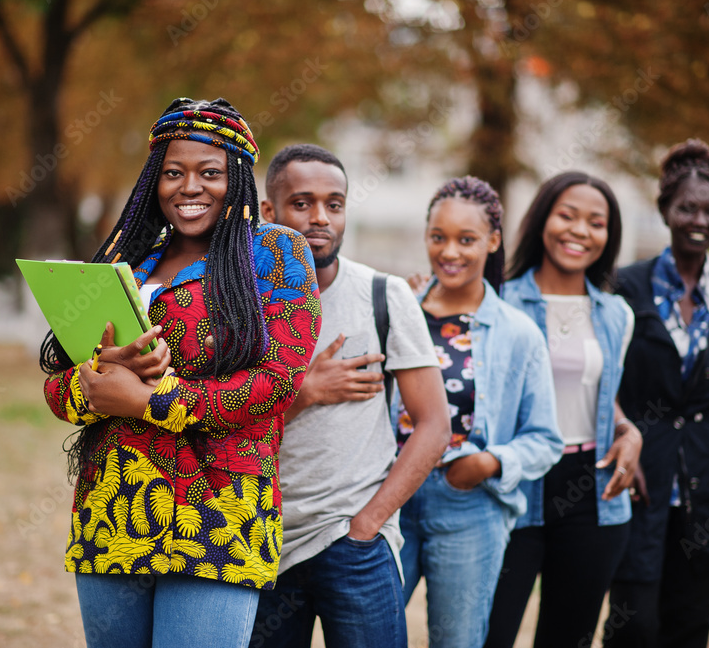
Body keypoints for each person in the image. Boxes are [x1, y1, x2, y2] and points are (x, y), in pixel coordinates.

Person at [40, 98, 322, 648]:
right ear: (154, 181)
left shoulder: (274, 253)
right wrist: (98, 381)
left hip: (219, 514)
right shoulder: (127, 263)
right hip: (113, 510)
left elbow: (276, 383)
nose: (189, 186)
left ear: (236, 179)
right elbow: (59, 386)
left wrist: (148, 401)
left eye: (209, 172)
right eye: (173, 172)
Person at [251, 144, 450, 648]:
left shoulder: (384, 294)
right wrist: (306, 392)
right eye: (302, 203)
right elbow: (225, 423)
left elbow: (433, 424)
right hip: (262, 539)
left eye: (334, 204)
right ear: (269, 213)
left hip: (355, 545)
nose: (320, 218)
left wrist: (370, 523)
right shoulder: (241, 304)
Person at [603, 139, 709, 648]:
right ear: (665, 211)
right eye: (687, 207)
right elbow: (602, 379)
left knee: (688, 629)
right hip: (638, 482)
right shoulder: (623, 288)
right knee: (634, 627)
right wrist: (625, 437)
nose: (700, 219)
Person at [394, 176, 563, 648]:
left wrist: (488, 464)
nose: (450, 252)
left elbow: (545, 438)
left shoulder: (519, 333)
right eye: (438, 237)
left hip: (469, 506)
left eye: (466, 240)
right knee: (367, 633)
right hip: (390, 499)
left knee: (458, 640)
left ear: (492, 241)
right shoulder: (396, 311)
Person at [486, 172, 642, 648]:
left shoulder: (616, 313)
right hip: (513, 480)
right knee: (489, 634)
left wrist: (626, 428)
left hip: (592, 485)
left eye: (596, 223)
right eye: (567, 216)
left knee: (569, 638)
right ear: (542, 221)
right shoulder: (499, 300)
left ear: (608, 237)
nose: (579, 231)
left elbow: (596, 387)